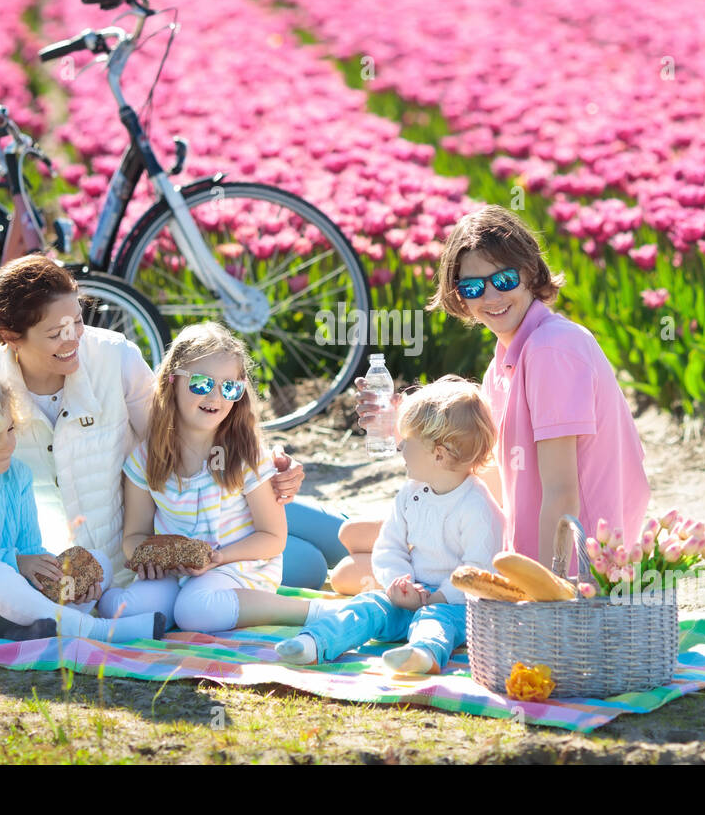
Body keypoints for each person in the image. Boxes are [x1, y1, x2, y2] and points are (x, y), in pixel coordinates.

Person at [0, 254, 323, 644]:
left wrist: (265, 460)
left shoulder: (115, 357)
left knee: (305, 550)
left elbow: (182, 429)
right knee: (310, 566)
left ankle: (337, 528)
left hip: (181, 515)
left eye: (78, 322)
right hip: (110, 567)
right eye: (55, 332)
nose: (73, 339)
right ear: (11, 338)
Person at [331, 204, 650, 590]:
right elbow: (488, 476)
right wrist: (404, 429)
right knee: (353, 537)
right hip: (514, 539)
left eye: (504, 279)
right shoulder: (504, 362)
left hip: (574, 569)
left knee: (352, 573)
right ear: (459, 297)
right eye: (472, 287)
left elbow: (563, 493)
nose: (490, 295)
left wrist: (548, 596)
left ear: (530, 273)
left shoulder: (552, 349)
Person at [99, 322, 346, 633]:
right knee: (124, 611)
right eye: (201, 383)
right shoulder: (145, 458)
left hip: (238, 564)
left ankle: (312, 611)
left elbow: (273, 537)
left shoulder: (244, 454)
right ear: (172, 382)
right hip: (175, 572)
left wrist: (218, 557)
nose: (215, 396)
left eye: (229, 387)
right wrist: (144, 557)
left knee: (194, 609)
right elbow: (134, 534)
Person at [0, 365, 162, 643]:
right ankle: (97, 630)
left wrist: (61, 582)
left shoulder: (16, 475)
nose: (7, 444)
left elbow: (30, 552)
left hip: (6, 599)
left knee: (97, 562)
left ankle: (26, 629)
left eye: (9, 429)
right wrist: (17, 563)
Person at [277, 377, 503, 672]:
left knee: (435, 619)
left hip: (458, 606)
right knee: (370, 605)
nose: (401, 448)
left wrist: (436, 597)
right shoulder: (412, 493)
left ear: (439, 455)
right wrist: (399, 582)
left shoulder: (477, 507)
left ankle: (424, 654)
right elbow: (389, 545)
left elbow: (478, 572)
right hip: (413, 595)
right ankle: (316, 642)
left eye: (408, 443)